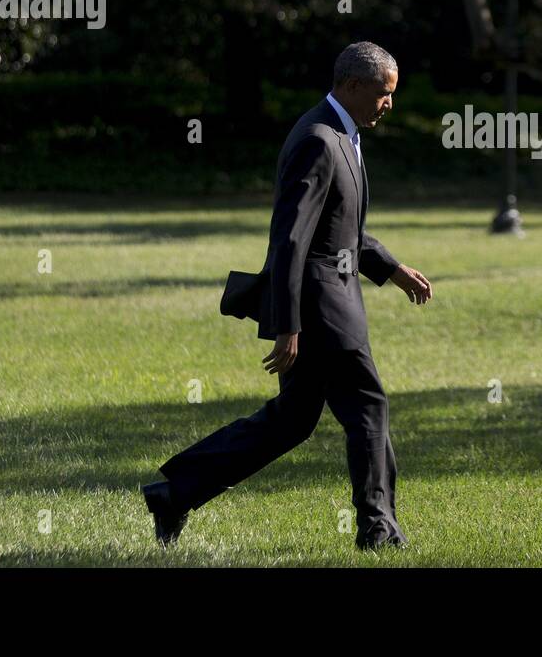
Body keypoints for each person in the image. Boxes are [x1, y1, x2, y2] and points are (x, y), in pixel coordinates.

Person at [141, 41, 432, 550]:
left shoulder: (341, 133)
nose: (389, 104)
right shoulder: (320, 138)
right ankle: (379, 529)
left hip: (328, 303)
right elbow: (291, 237)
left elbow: (341, 228)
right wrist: (287, 323)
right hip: (323, 310)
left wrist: (389, 267)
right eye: (384, 94)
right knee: (369, 408)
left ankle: (174, 492)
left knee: (289, 424)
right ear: (352, 85)